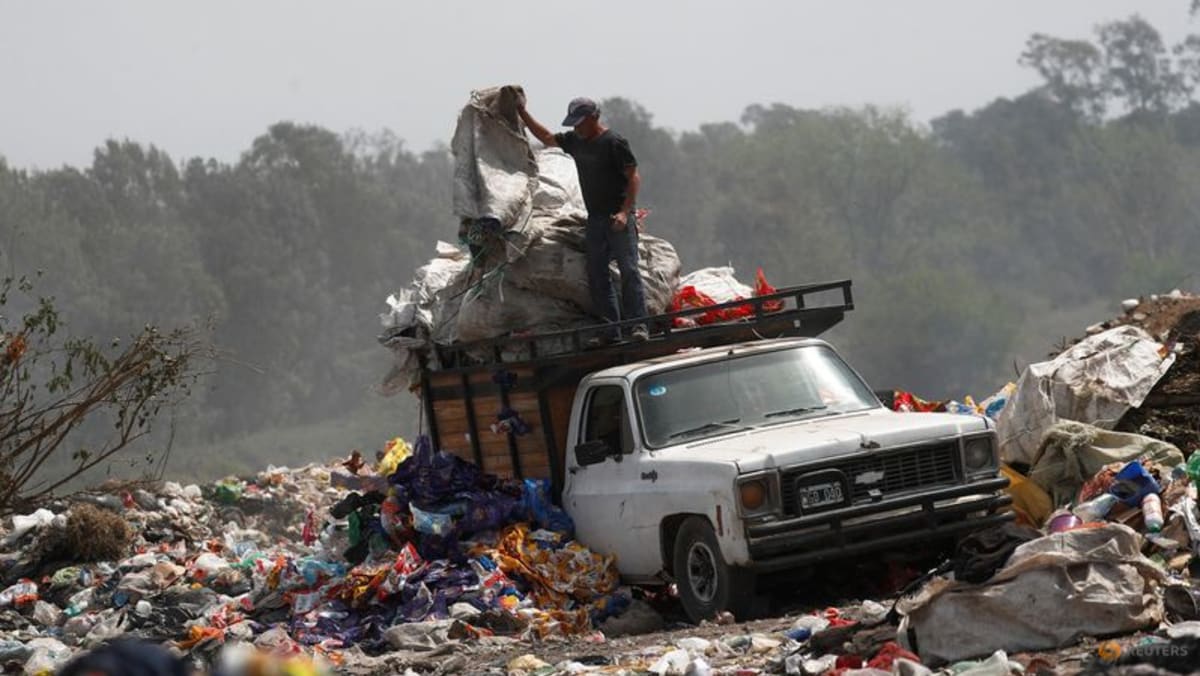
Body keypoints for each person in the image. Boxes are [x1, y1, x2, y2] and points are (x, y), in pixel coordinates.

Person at [518, 95, 649, 344]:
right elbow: (547, 137)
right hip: (596, 219)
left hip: (618, 217)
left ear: (593, 118)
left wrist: (624, 212)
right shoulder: (576, 142)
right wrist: (523, 113)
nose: (576, 128)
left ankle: (638, 326)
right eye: (573, 124)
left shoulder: (614, 142)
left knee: (629, 270)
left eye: (580, 122)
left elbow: (633, 177)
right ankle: (611, 330)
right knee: (597, 274)